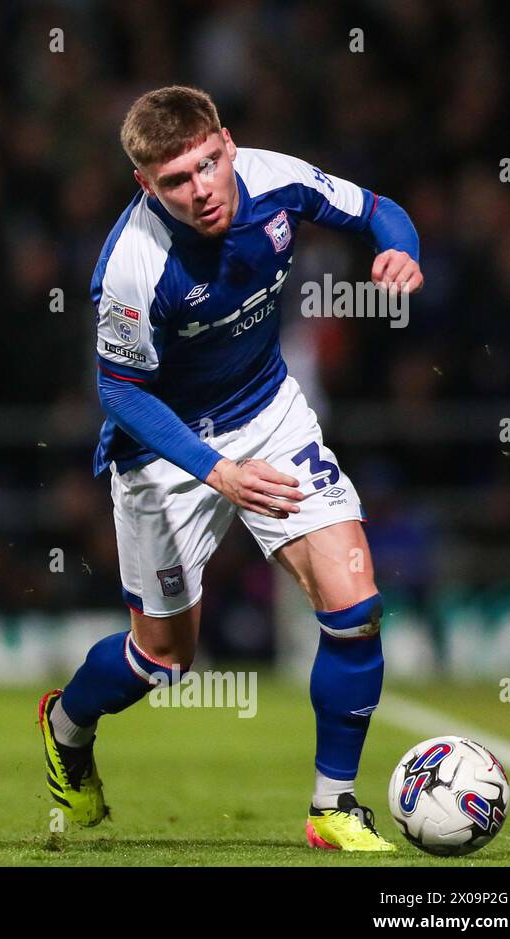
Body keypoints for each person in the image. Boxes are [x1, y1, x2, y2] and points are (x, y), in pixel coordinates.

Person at [38, 86, 422, 851]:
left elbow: (379, 207)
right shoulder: (133, 267)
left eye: (208, 165)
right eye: (175, 181)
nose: (200, 189)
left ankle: (333, 807)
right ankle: (66, 727)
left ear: (228, 144)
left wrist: (399, 249)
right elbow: (119, 391)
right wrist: (215, 470)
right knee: (163, 658)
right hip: (166, 454)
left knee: (355, 607)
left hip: (269, 415)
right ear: (146, 186)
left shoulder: (277, 178)